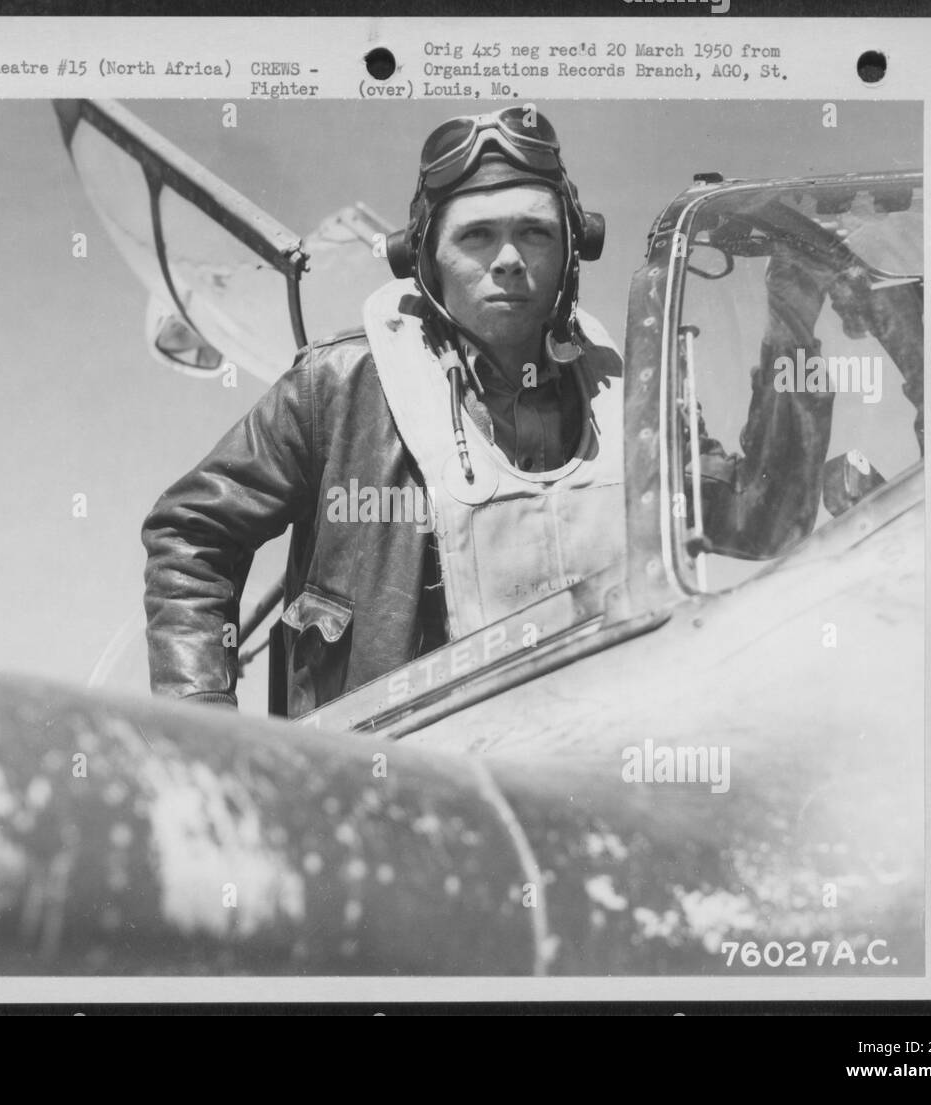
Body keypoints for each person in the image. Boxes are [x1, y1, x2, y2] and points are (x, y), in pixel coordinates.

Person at [141, 108, 830, 719]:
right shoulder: (336, 389)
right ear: (425, 260)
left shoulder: (629, 388)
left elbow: (759, 520)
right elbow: (191, 532)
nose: (507, 259)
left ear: (571, 249)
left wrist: (793, 320)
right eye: (476, 236)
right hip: (400, 777)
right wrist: (203, 725)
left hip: (604, 744)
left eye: (534, 232)